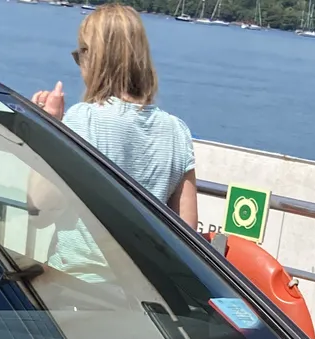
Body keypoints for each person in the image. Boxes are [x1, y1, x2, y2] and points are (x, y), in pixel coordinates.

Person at [31, 5, 198, 228]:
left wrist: (46, 128)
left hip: (85, 253)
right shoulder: (177, 132)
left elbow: (39, 210)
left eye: (80, 55)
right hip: (143, 252)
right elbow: (187, 230)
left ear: (94, 58)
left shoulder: (84, 120)